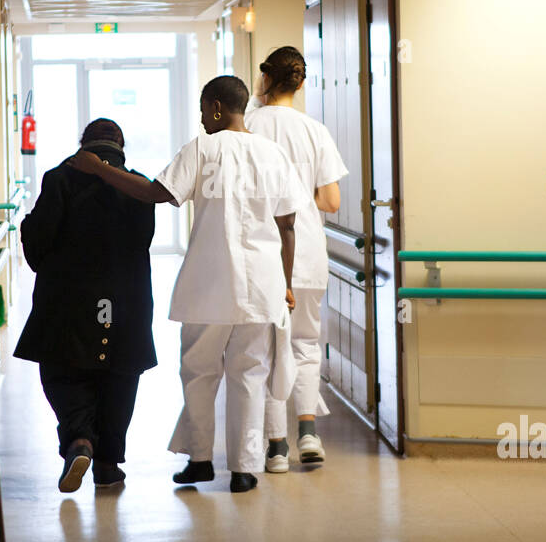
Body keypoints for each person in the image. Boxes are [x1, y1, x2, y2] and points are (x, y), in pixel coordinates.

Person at [68, 75, 307, 493]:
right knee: (249, 374)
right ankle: (245, 469)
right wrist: (286, 284)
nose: (200, 118)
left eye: (202, 109)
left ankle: (199, 461)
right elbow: (288, 227)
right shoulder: (274, 155)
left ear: (216, 107)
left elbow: (153, 192)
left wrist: (101, 170)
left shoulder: (204, 147)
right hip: (263, 285)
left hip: (210, 285)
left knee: (199, 372)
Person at [13, 118, 157, 493]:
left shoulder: (58, 179)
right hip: (126, 303)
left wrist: (29, 227)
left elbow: (39, 246)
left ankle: (79, 441)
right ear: (120, 146)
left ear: (84, 144)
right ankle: (107, 465)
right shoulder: (139, 186)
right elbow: (143, 238)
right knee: (119, 377)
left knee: (64, 372)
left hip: (68, 300)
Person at [246, 46, 349, 471]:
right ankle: (308, 432)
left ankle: (276, 448)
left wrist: (256, 96)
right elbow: (331, 201)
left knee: (266, 351)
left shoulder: (247, 125)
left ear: (265, 79)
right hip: (306, 256)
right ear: (302, 83)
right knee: (306, 344)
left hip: (261, 255)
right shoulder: (314, 130)